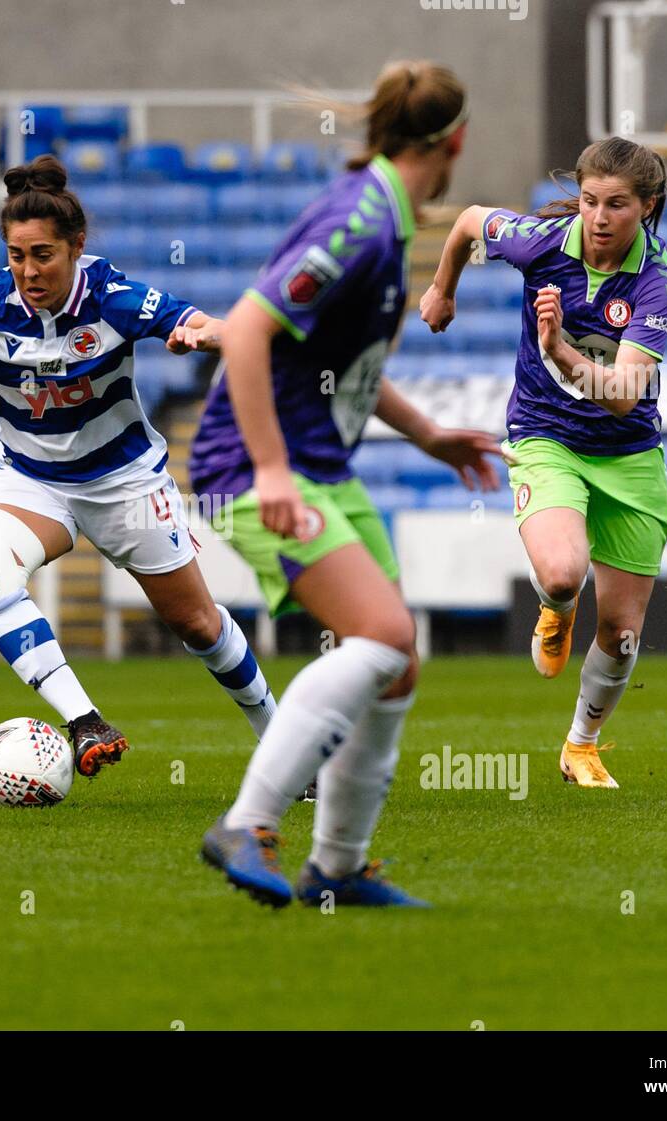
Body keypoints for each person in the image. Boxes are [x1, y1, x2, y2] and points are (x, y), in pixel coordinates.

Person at [188, 60, 499, 908]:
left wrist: (427, 432)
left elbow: (333, 364)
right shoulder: (362, 222)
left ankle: (338, 866)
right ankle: (247, 823)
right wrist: (273, 468)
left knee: (394, 663)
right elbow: (248, 332)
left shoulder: (387, 216)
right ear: (457, 140)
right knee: (385, 630)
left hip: (322, 463)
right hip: (251, 466)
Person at [0, 155, 276, 778]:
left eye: (42, 254)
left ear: (76, 246)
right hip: (31, 481)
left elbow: (205, 324)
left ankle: (280, 738)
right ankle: (84, 721)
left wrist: (201, 337)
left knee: (199, 625)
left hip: (124, 482)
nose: (28, 271)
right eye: (16, 256)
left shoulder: (114, 296)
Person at [421, 135, 667, 789]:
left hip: (628, 454)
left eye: (616, 205)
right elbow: (468, 221)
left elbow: (624, 396)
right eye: (590, 200)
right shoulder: (541, 240)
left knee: (621, 633)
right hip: (546, 436)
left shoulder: (656, 278)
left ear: (645, 208)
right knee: (564, 574)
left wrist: (561, 350)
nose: (598, 217)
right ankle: (556, 606)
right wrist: (442, 289)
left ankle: (581, 746)